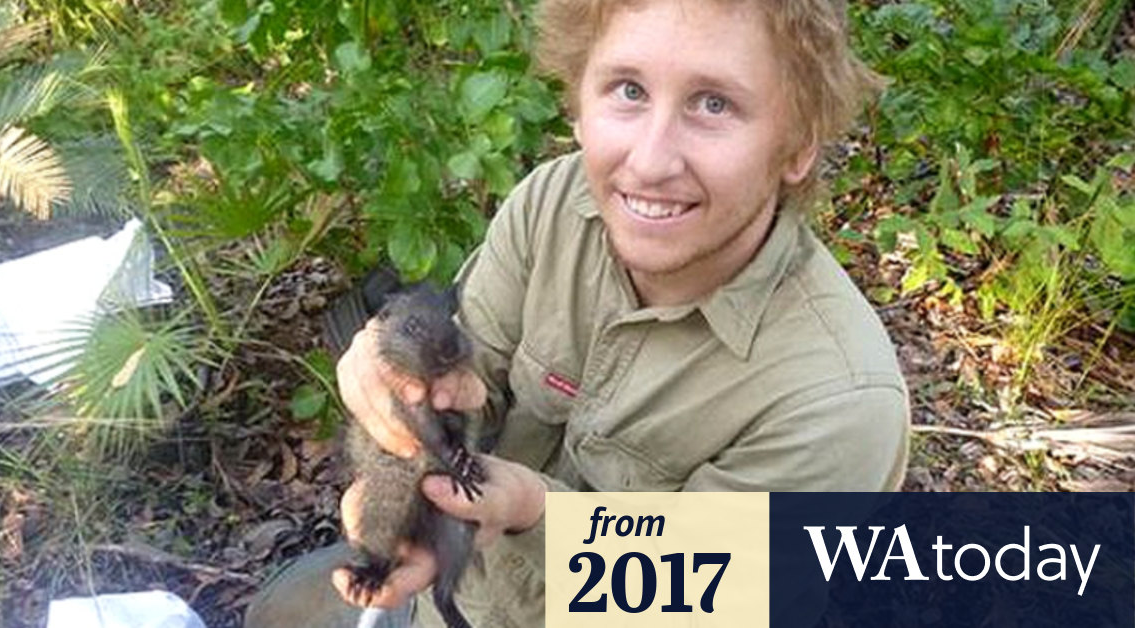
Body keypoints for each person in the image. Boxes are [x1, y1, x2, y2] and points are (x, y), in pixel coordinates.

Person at [244, 0, 909, 626]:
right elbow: (479, 386)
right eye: (628, 89)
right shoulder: (552, 207)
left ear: (796, 146)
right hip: (452, 597)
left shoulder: (838, 401)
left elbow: (722, 591)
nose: (649, 162)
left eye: (714, 104)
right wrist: (407, 391)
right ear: (577, 99)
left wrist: (533, 514)